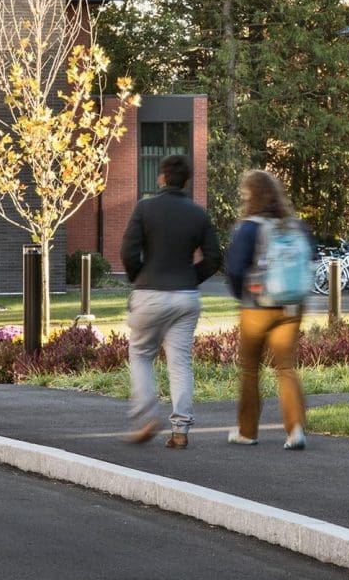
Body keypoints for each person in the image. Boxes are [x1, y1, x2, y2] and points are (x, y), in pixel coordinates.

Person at [120, 152, 221, 448]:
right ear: (187, 181)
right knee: (180, 364)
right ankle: (180, 430)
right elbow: (214, 258)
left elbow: (128, 252)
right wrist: (191, 277)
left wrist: (140, 277)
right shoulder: (198, 213)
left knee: (140, 355)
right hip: (186, 297)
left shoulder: (145, 208)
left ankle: (147, 415)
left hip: (150, 292)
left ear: (161, 177)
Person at [222, 168, 310, 449]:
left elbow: (234, 269)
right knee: (286, 368)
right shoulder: (296, 226)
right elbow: (312, 262)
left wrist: (242, 296)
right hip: (292, 306)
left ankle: (247, 432)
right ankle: (295, 430)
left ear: (251, 196)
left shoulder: (249, 227)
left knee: (250, 370)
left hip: (256, 307)